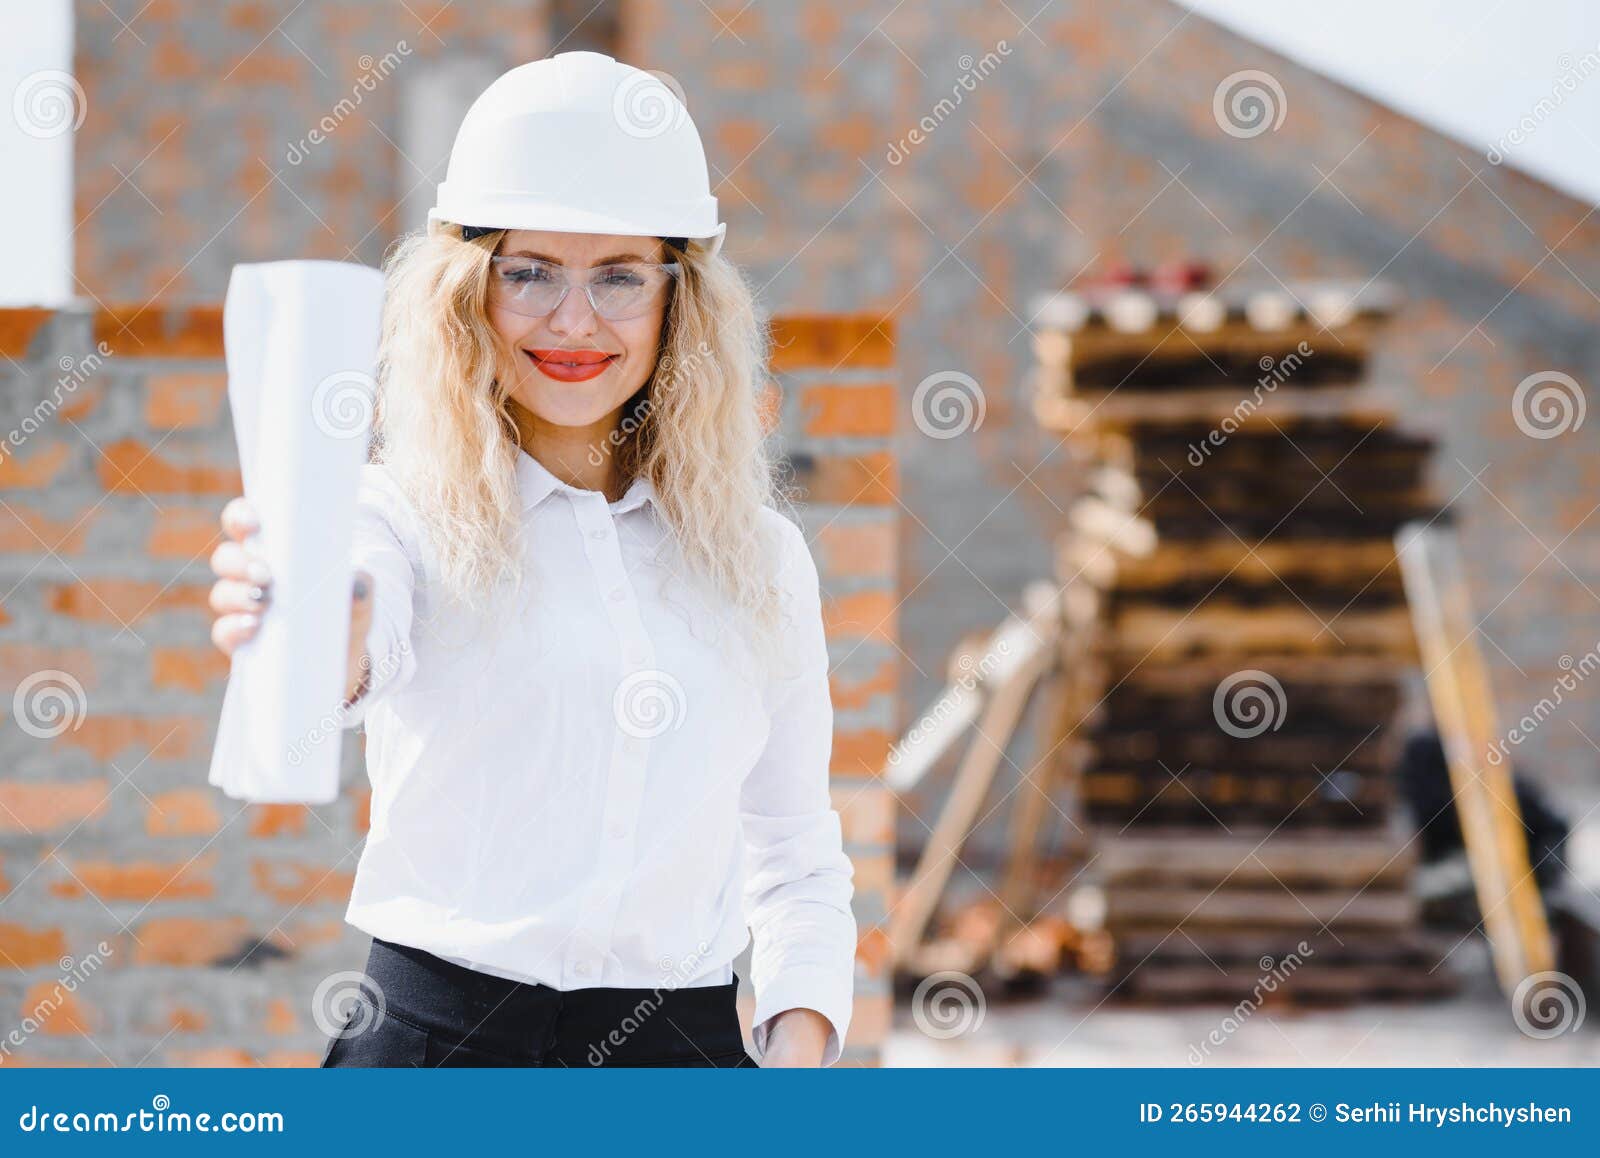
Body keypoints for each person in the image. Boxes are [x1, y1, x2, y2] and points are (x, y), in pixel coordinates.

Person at [206, 51, 856, 1068]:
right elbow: (356, 634)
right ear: (471, 291)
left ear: (679, 300)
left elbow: (795, 851)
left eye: (618, 278)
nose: (572, 320)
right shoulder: (399, 513)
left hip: (680, 1064)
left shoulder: (762, 559)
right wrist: (311, 623)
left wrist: (800, 1054)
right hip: (435, 1062)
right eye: (530, 272)